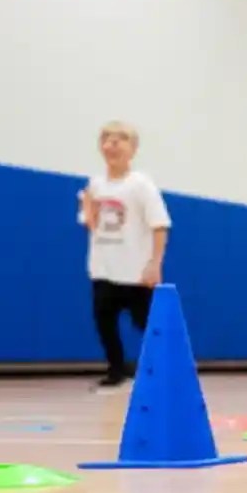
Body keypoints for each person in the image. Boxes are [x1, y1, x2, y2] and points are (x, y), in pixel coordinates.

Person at [78, 120, 170, 391]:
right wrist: (87, 209)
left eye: (121, 139)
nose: (113, 144)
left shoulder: (141, 184)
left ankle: (169, 368)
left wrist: (155, 263)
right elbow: (92, 225)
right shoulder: (95, 184)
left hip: (135, 272)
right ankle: (116, 369)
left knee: (148, 324)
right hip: (103, 269)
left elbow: (160, 224)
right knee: (104, 321)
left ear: (133, 149)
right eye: (107, 139)